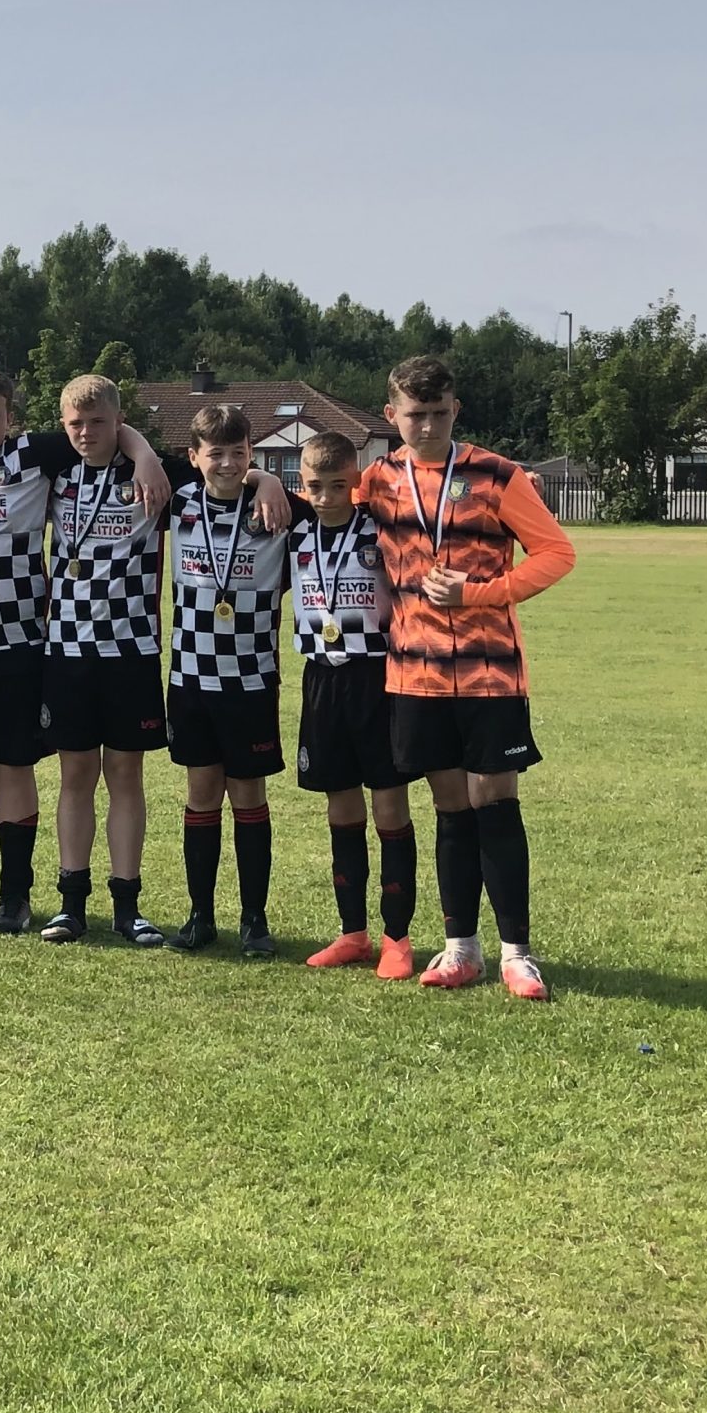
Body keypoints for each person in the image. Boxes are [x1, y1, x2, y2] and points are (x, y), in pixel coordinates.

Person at [0, 371, 182, 933]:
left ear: (11, 421)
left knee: (14, 770)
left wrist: (145, 452)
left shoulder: (36, 456)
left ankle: (15, 898)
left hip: (22, 647)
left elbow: (101, 426)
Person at [354, 355, 576, 999]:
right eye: (413, 415)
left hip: (490, 673)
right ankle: (461, 950)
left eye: (438, 413)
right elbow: (320, 492)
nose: (425, 426)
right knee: (450, 811)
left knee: (495, 805)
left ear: (457, 412)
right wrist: (258, 480)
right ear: (391, 415)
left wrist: (484, 592)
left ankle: (516, 954)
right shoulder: (378, 478)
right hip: (414, 676)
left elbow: (558, 553)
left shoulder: (497, 475)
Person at [164, 403, 309, 954]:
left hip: (252, 679)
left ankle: (254, 920)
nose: (227, 463)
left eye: (239, 453)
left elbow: (341, 502)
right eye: (215, 453)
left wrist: (267, 478)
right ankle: (200, 916)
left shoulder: (279, 509)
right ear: (194, 456)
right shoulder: (177, 502)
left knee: (248, 793)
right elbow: (123, 443)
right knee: (201, 793)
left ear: (251, 452)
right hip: (190, 678)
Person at [287, 430, 420, 978]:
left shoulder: (380, 528)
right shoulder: (291, 529)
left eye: (338, 485)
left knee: (389, 806)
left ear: (356, 480)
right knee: (339, 806)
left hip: (376, 677)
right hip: (322, 678)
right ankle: (352, 933)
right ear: (303, 484)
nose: (326, 497)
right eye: (315, 486)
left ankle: (397, 938)